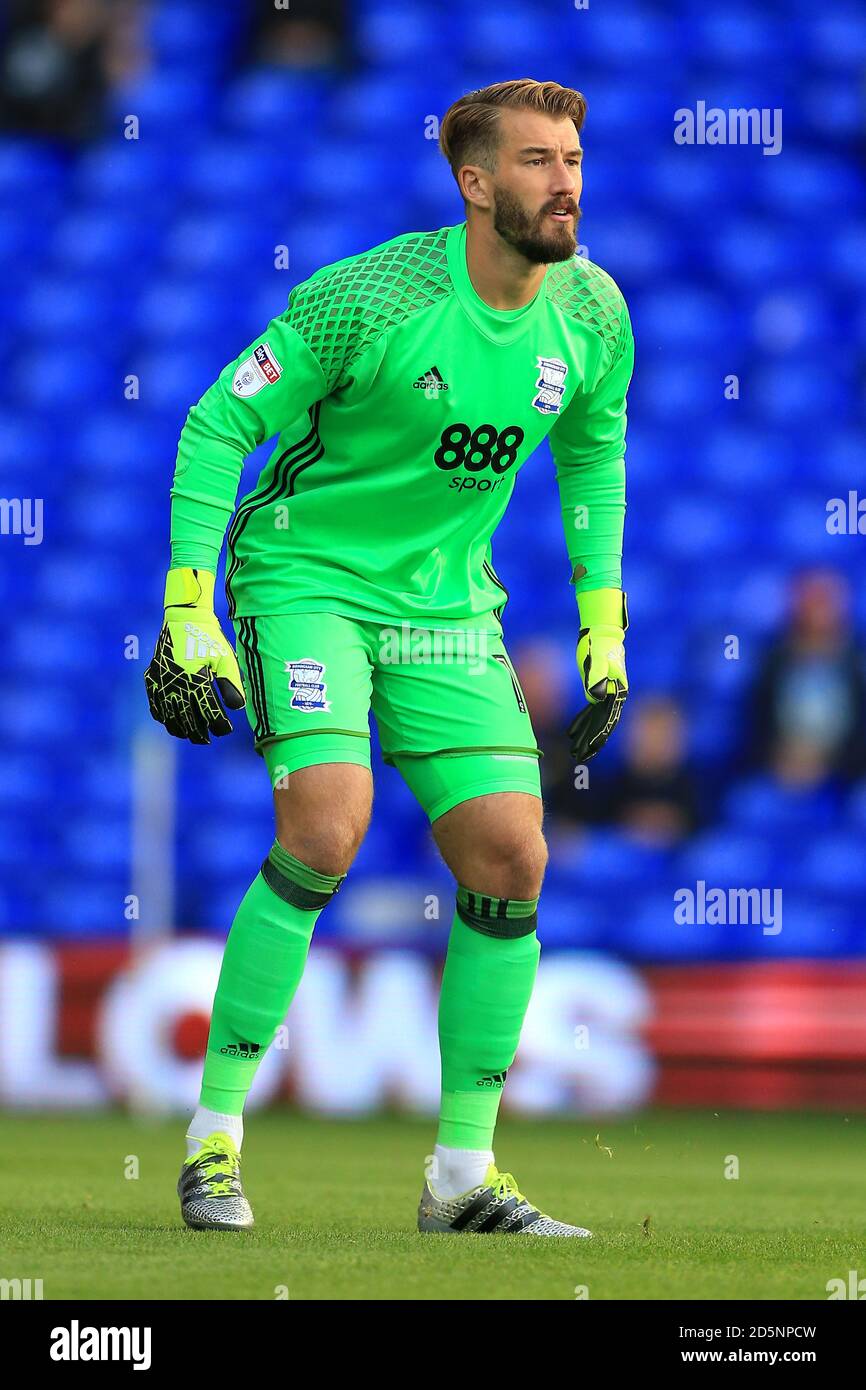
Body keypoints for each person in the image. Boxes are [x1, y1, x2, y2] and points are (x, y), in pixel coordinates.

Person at [145, 78, 634, 1239]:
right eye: (532, 160)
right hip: (307, 578)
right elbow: (220, 420)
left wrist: (601, 627)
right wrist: (185, 601)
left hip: (448, 608)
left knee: (512, 854)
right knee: (324, 824)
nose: (562, 179)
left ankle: (462, 1175)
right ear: (473, 184)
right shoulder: (370, 297)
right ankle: (212, 1138)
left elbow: (592, 457)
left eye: (569, 157)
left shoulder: (595, 313)